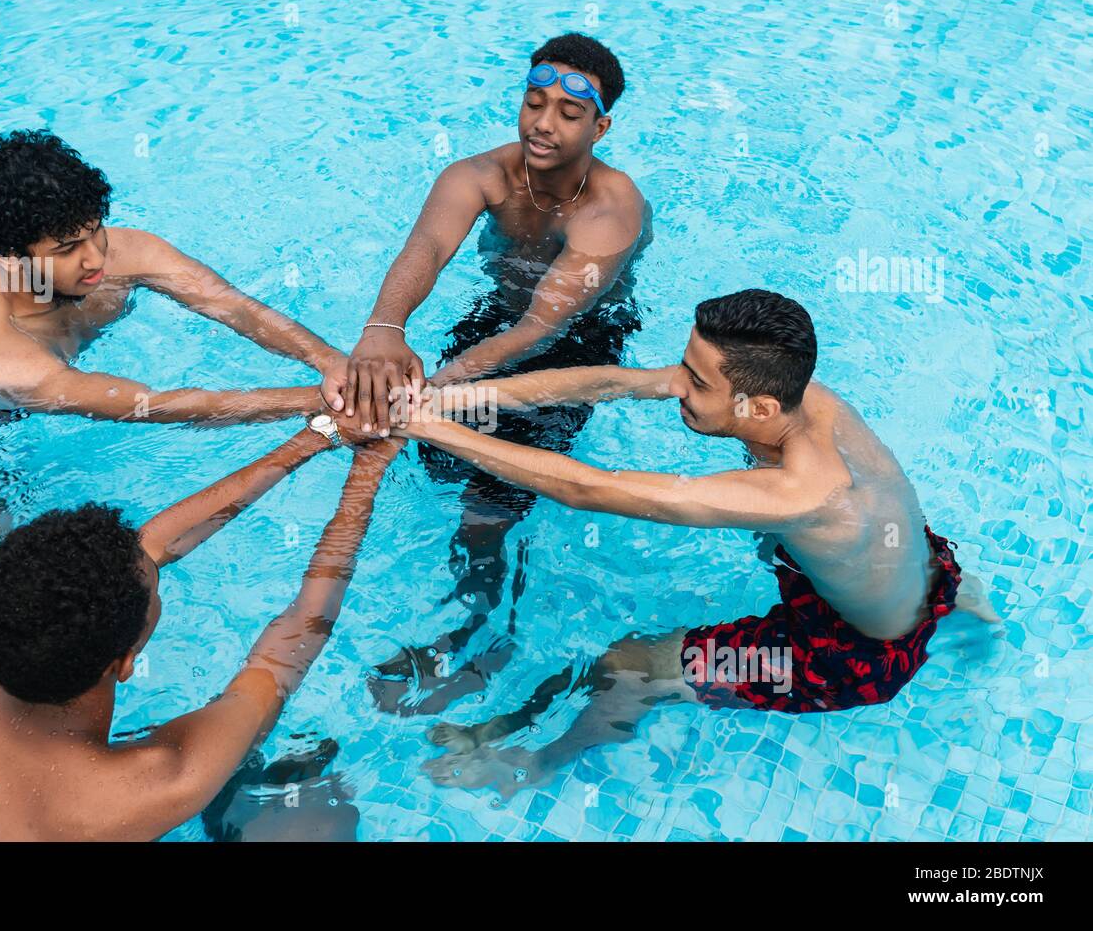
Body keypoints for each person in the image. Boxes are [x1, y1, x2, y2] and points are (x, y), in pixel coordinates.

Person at [388, 289, 998, 797]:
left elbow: (589, 489)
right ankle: (960, 601)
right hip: (924, 565)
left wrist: (424, 428)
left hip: (848, 654)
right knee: (831, 551)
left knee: (625, 667)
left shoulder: (801, 494)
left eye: (696, 383)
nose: (677, 386)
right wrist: (451, 399)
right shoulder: (803, 393)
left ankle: (533, 764)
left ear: (757, 406)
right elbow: (611, 382)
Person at [0, 130, 346, 564]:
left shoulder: (115, 254)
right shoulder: (5, 359)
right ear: (6, 256)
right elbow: (160, 406)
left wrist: (330, 363)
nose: (96, 260)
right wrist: (317, 402)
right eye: (67, 249)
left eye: (95, 230)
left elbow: (234, 306)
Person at [0, 414, 398, 840]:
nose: (153, 561)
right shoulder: (153, 784)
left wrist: (317, 436)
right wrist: (369, 470)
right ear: (124, 663)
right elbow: (292, 642)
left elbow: (146, 549)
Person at [335, 34, 651, 714]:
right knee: (440, 461)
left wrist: (438, 384)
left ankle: (478, 639)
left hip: (574, 346)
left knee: (488, 507)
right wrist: (382, 332)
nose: (543, 123)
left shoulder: (612, 208)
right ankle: (481, 588)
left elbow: (543, 326)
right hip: (494, 324)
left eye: (568, 115)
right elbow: (425, 246)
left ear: (601, 127)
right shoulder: (478, 176)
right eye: (533, 104)